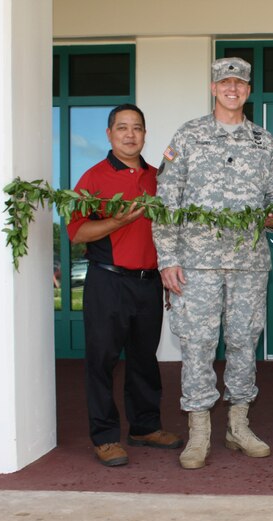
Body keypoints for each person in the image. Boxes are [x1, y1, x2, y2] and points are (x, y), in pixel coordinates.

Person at [153, 58, 273, 470]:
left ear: (249, 90)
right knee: (196, 344)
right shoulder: (189, 136)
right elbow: (166, 202)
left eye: (240, 83)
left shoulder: (263, 141)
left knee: (244, 342)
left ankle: (238, 425)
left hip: (248, 262)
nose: (233, 88)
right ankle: (199, 432)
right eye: (225, 82)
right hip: (196, 263)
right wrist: (168, 258)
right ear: (214, 88)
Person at [67, 104, 183, 467]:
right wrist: (116, 222)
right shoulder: (94, 177)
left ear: (145, 134)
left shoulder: (157, 178)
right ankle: (104, 437)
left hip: (148, 283)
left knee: (144, 359)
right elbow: (76, 234)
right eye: (122, 128)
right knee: (101, 360)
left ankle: (145, 427)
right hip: (108, 281)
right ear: (109, 134)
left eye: (137, 128)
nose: (130, 134)